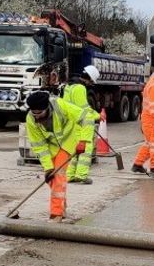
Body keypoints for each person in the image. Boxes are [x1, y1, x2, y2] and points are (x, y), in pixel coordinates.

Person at [25, 91, 94, 222]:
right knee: (52, 178)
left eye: (39, 113)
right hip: (51, 147)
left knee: (58, 176)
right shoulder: (31, 119)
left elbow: (87, 117)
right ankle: (61, 206)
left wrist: (84, 141)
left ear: (46, 108)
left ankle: (56, 214)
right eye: (34, 113)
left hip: (67, 142)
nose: (37, 117)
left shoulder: (60, 106)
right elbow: (39, 145)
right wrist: (48, 168)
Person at [61, 65, 100, 184]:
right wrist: (97, 116)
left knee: (73, 150)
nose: (90, 84)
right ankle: (81, 176)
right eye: (91, 81)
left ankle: (70, 175)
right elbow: (84, 109)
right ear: (88, 78)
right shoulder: (80, 88)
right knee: (85, 149)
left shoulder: (69, 86)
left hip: (70, 122)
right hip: (80, 123)